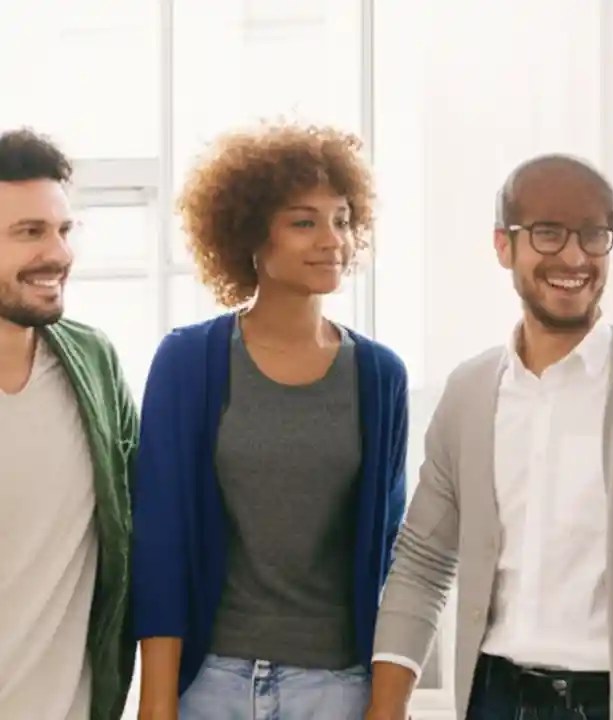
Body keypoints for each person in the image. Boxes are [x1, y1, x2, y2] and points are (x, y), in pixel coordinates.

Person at [362, 154, 613, 720]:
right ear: (504, 246)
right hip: (494, 698)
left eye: (594, 234)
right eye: (548, 234)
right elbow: (423, 562)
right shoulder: (470, 391)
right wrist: (386, 711)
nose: (574, 257)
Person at [131, 123, 409, 720]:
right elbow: (160, 538)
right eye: (304, 221)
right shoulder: (188, 363)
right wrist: (157, 702)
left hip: (337, 685)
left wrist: (386, 706)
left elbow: (393, 555)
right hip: (212, 681)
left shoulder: (380, 377)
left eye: (341, 219)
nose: (331, 239)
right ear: (250, 236)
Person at [0, 128, 137, 720]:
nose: (57, 254)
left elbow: (150, 530)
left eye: (63, 230)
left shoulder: (94, 366)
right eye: (29, 232)